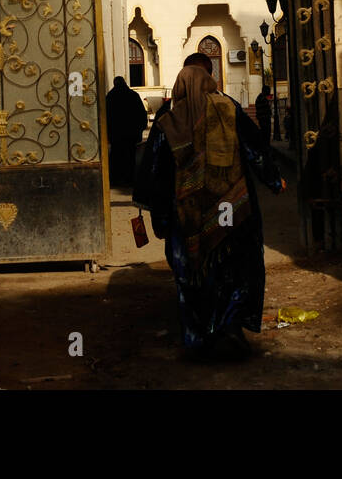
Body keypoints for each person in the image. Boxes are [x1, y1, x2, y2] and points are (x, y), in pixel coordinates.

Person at [134, 63, 286, 360]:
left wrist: (158, 216)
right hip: (235, 213)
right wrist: (273, 180)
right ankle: (230, 326)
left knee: (191, 278)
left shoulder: (168, 120)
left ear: (179, 87)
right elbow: (254, 148)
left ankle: (197, 340)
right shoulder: (229, 109)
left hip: (187, 221)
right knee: (236, 272)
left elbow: (154, 172)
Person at [105, 76, 148, 187]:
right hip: (131, 134)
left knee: (116, 156)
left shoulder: (110, 97)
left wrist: (107, 133)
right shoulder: (133, 95)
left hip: (116, 135)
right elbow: (141, 114)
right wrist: (140, 129)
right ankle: (129, 178)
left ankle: (116, 179)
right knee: (129, 157)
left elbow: (106, 116)